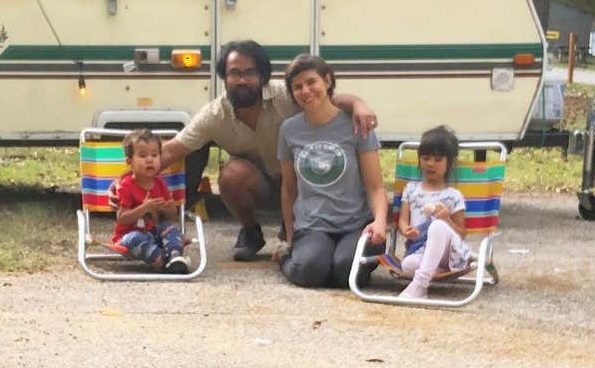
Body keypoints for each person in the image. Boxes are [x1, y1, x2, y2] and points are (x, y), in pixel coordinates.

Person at [159, 40, 377, 261]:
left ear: (263, 76)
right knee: (231, 174)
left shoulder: (286, 96)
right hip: (260, 187)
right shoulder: (215, 115)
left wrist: (359, 104)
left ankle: (292, 230)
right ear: (224, 77)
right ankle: (251, 232)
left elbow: (330, 101)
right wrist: (130, 173)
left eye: (250, 72)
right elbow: (171, 151)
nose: (242, 80)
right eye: (234, 73)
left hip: (300, 186)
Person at [274, 54, 388, 288]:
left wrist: (379, 222)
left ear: (327, 81)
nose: (305, 90)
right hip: (313, 225)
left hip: (356, 224)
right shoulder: (289, 130)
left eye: (311, 82)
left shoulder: (356, 123)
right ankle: (286, 258)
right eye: (297, 87)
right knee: (309, 270)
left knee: (347, 269)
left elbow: (375, 186)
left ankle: (337, 262)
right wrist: (290, 235)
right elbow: (288, 189)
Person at [396, 125, 470, 300]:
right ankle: (429, 272)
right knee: (407, 265)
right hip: (419, 250)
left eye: (437, 159)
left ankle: (420, 285)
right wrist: (407, 231)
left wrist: (446, 221)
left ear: (449, 162)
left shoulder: (453, 196)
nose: (430, 164)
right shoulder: (411, 190)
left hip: (449, 254)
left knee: (437, 225)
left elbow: (461, 234)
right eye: (425, 158)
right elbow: (402, 221)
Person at [112, 129, 190, 274]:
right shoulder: (126, 186)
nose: (150, 159)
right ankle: (163, 261)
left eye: (154, 155)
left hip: (153, 234)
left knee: (170, 227)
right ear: (130, 162)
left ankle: (175, 257)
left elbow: (171, 217)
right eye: (143, 155)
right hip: (128, 237)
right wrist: (145, 207)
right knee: (136, 238)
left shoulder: (160, 184)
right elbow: (122, 219)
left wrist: (169, 208)